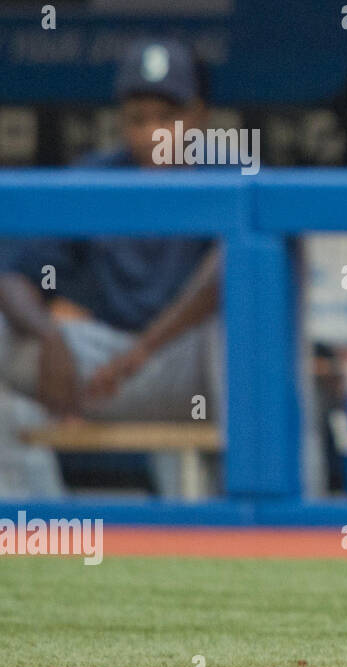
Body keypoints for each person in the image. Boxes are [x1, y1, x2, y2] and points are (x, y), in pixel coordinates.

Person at [0, 38, 224, 498]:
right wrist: (47, 334)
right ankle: (37, 521)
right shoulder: (95, 177)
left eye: (168, 118)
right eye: (138, 119)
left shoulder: (228, 174)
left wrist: (142, 351)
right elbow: (12, 275)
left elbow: (226, 278)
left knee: (245, 318)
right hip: (101, 374)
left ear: (198, 117)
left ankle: (257, 515)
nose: (152, 134)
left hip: (193, 371)